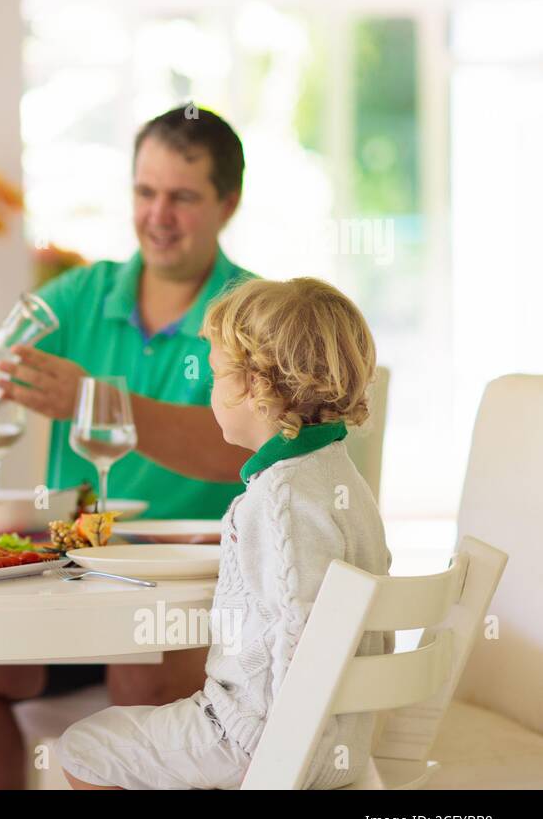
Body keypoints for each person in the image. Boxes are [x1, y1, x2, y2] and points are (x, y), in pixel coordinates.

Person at [0, 105, 257, 788]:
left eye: (182, 196)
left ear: (227, 204)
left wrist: (97, 402)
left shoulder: (252, 315)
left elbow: (246, 452)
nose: (159, 213)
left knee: (138, 660)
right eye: (145, 192)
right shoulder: (82, 295)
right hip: (81, 577)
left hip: (194, 586)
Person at [61, 276, 389, 789]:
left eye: (216, 375)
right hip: (345, 741)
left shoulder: (276, 499)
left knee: (85, 748)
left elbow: (294, 631)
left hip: (261, 740)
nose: (211, 390)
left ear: (256, 387)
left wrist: (283, 761)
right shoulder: (347, 481)